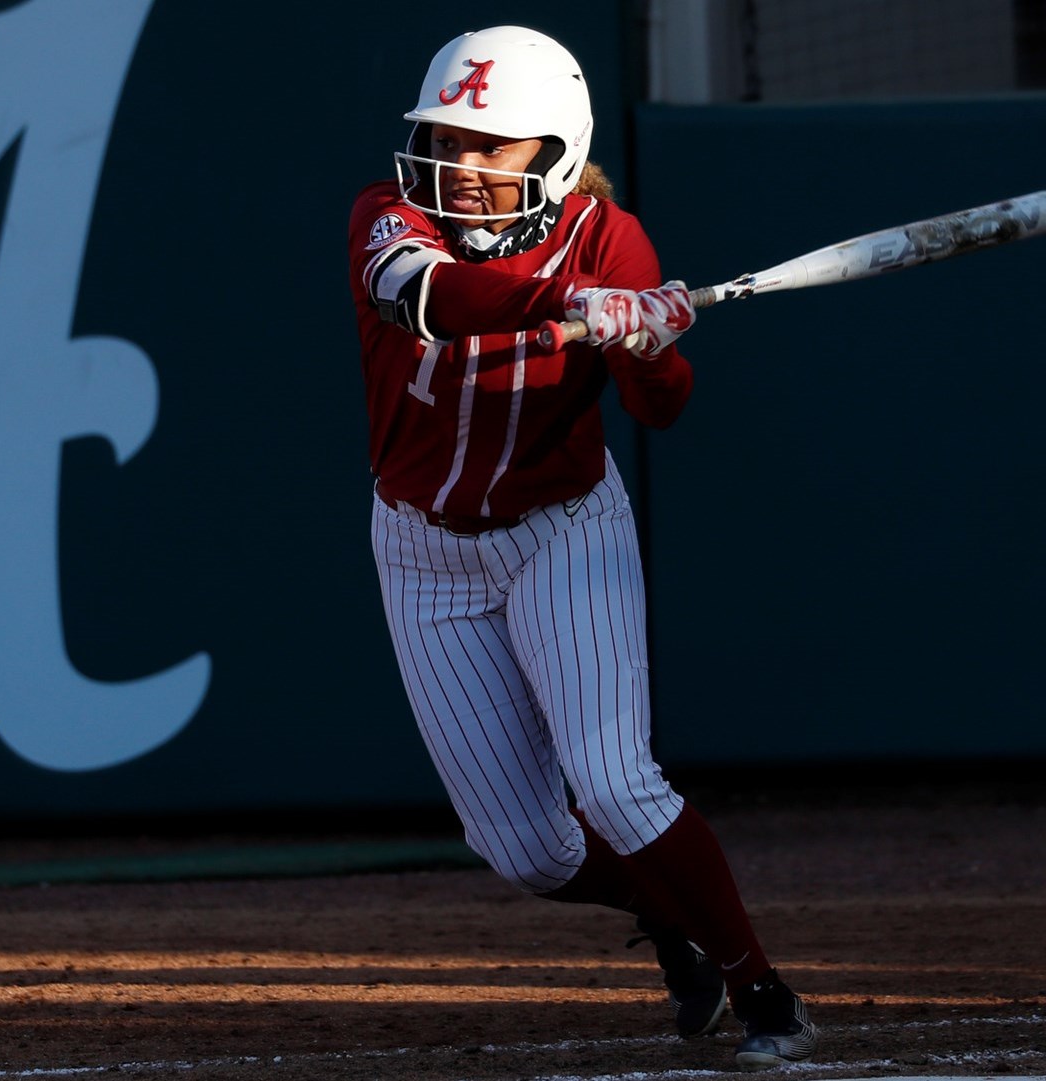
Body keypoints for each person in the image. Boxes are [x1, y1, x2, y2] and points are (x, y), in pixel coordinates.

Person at [345, 25, 818, 1071]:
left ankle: (761, 989)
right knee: (528, 851)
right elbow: (427, 296)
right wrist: (567, 302)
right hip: (422, 551)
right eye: (446, 138)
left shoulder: (613, 243)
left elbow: (665, 408)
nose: (460, 166)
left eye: (491, 146)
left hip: (561, 532)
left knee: (614, 782)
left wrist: (643, 341)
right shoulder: (387, 219)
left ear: (553, 153)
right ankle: (670, 917)